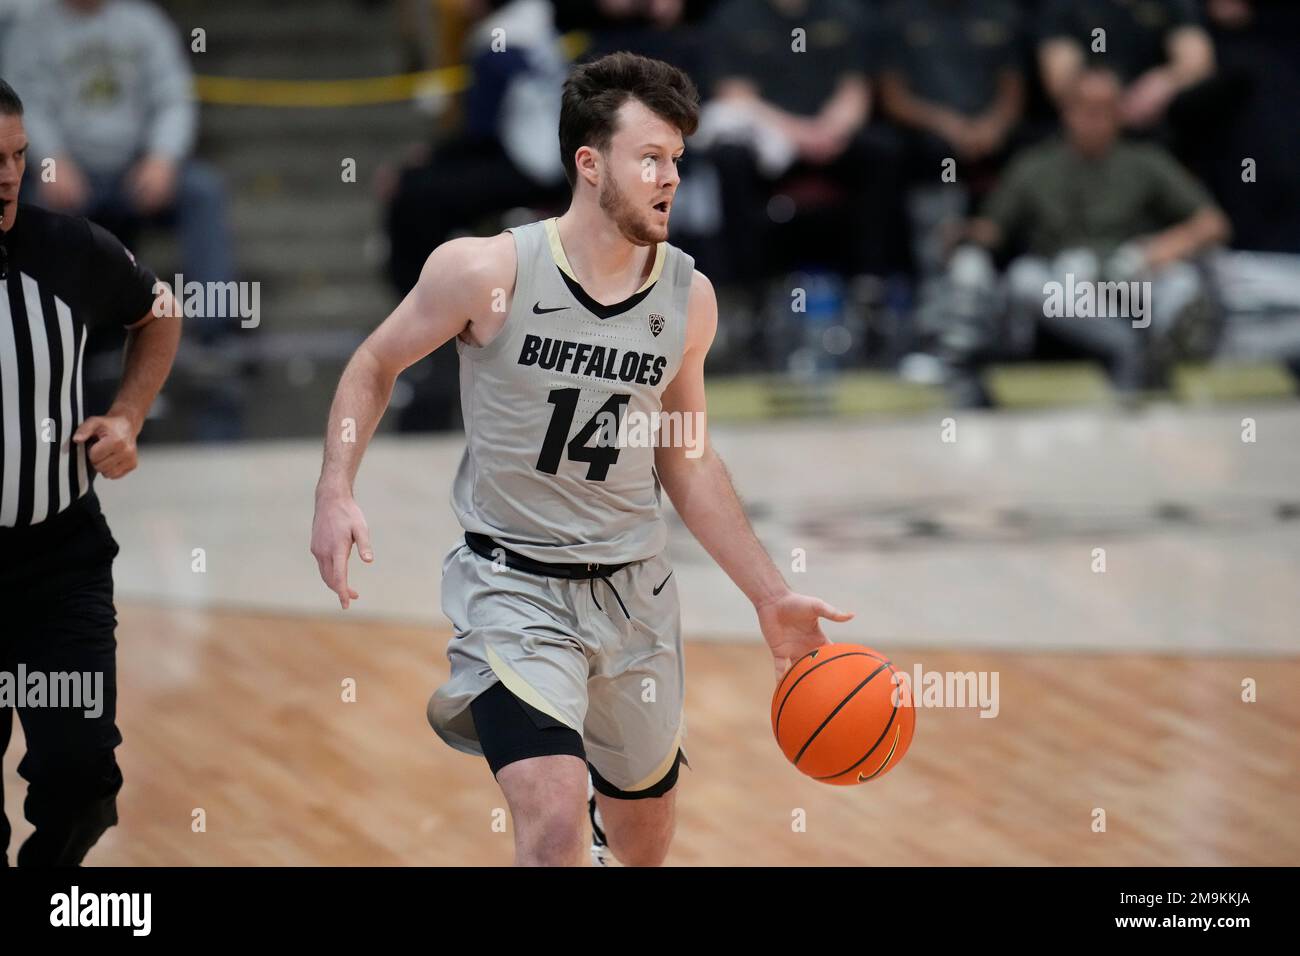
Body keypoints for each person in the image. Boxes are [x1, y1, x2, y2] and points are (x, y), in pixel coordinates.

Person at [311, 52, 852, 866]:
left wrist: (769, 595)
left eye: (676, 159)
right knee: (555, 821)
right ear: (589, 164)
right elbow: (373, 364)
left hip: (636, 600)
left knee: (640, 846)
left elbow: (688, 459)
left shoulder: (686, 298)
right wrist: (335, 488)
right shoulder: (485, 271)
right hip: (513, 590)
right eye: (650, 158)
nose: (670, 177)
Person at [0, 78, 180, 866]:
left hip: (60, 558)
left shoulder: (68, 249)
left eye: (16, 156)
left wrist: (128, 415)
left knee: (81, 779)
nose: (7, 175)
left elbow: (159, 312)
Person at [943, 67, 1230, 397]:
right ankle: (1128, 350)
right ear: (1067, 112)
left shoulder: (1146, 162)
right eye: (1087, 110)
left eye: (1106, 110)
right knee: (1024, 279)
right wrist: (963, 234)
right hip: (1067, 289)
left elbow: (1213, 223)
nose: (1096, 120)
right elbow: (994, 229)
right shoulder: (1034, 166)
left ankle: (1165, 357)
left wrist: (1165, 246)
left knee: (1183, 282)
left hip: (1130, 274)